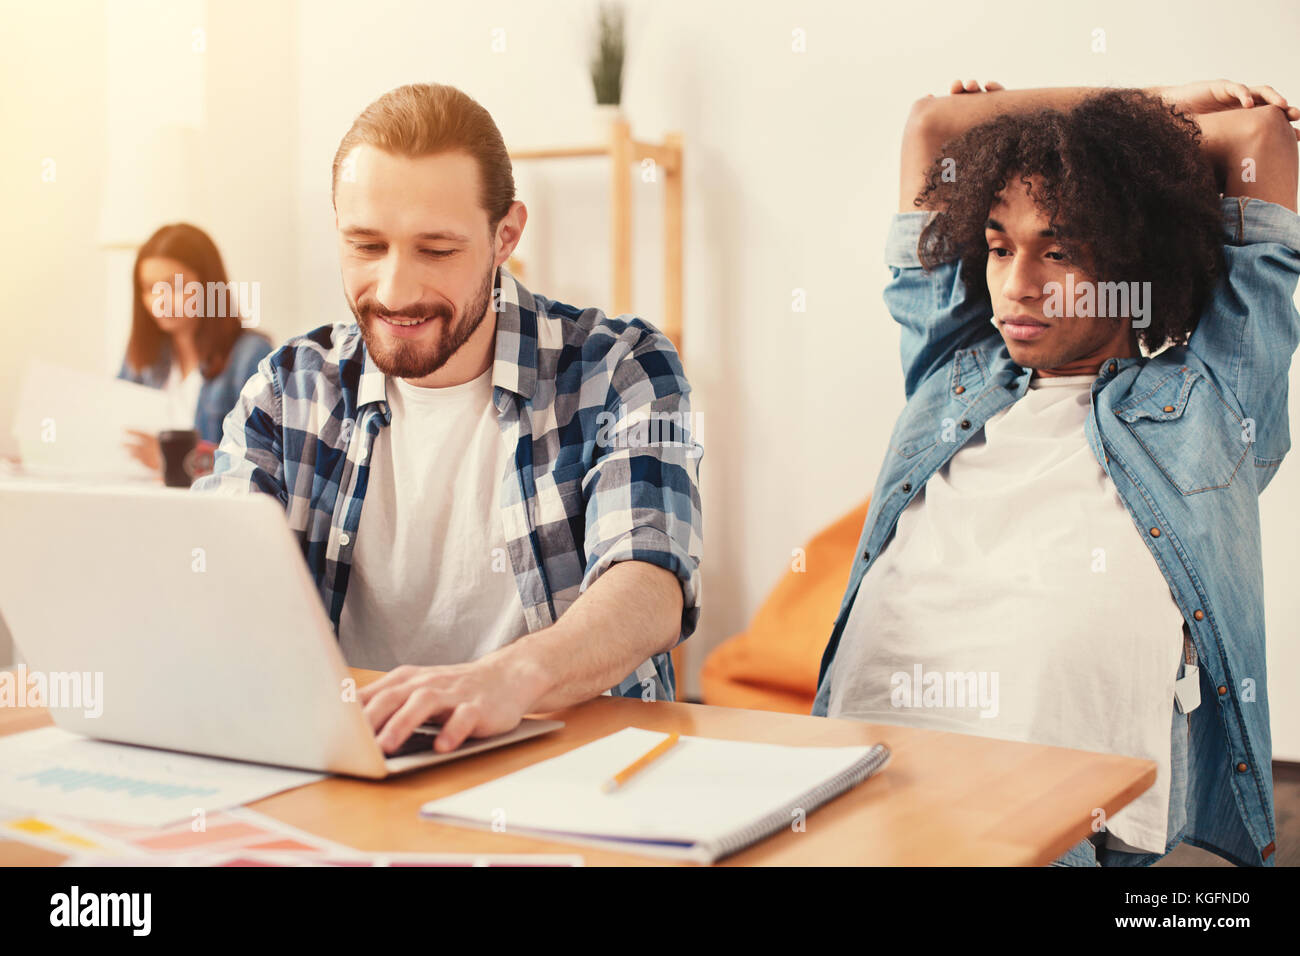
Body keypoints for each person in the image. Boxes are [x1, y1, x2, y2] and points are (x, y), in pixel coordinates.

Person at [813, 79, 1299, 867]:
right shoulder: (954, 371)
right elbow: (934, 125)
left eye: (1061, 249)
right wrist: (1152, 102)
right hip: (853, 789)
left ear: (1135, 254)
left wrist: (1131, 140)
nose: (1016, 286)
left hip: (1043, 820)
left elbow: (1259, 138)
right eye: (1001, 246)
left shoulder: (1208, 401)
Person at [194, 83, 703, 755]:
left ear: (505, 236)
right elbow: (220, 574)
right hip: (349, 765)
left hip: (571, 773)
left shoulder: (622, 369)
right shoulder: (289, 387)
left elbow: (649, 586)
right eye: (367, 246)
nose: (397, 290)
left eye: (436, 250)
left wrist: (507, 680)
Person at [119, 223, 272, 470]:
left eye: (175, 286)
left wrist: (174, 461)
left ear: (209, 285)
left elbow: (260, 462)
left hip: (207, 506)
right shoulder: (141, 357)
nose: (161, 301)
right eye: (149, 289)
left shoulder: (250, 355)